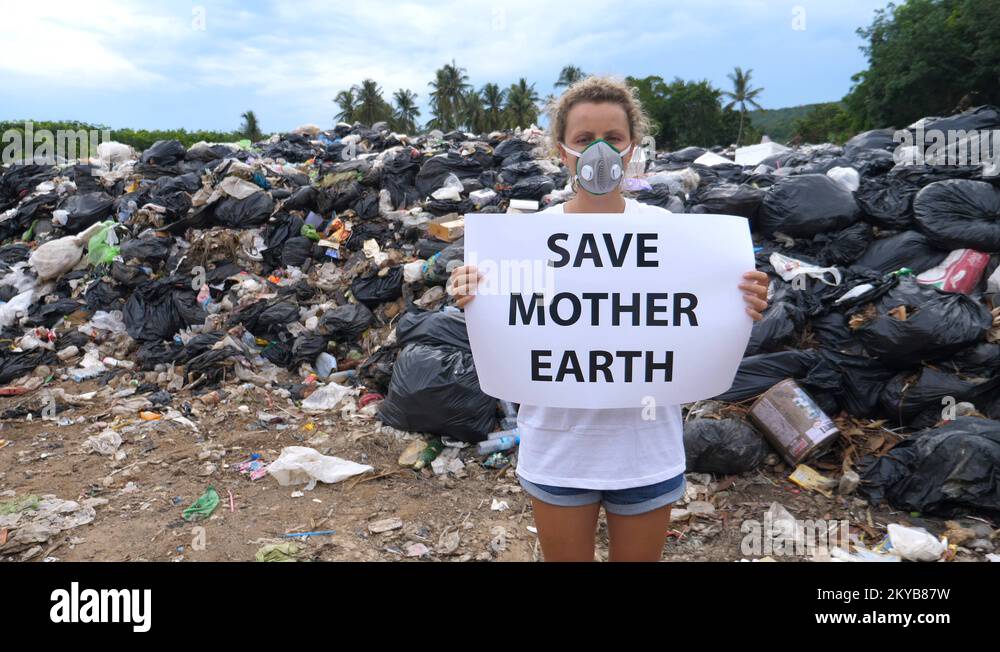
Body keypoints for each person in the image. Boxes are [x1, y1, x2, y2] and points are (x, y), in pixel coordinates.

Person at [448, 76, 769, 562]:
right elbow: (511, 326)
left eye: (613, 139)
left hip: (646, 455)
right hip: (557, 453)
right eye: (583, 140)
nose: (599, 151)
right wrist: (472, 293)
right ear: (562, 151)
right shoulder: (525, 241)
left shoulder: (670, 236)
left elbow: (696, 319)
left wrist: (741, 298)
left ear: (632, 147)